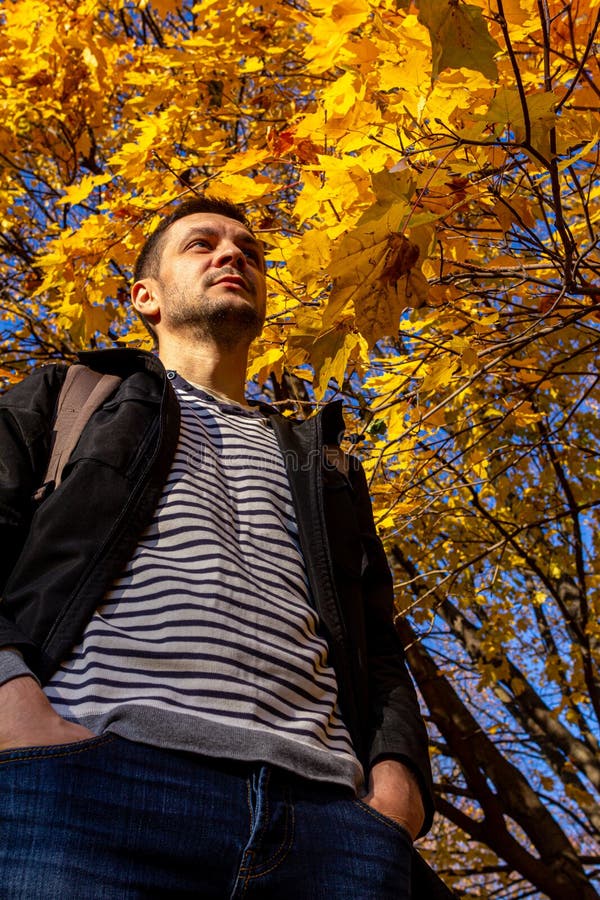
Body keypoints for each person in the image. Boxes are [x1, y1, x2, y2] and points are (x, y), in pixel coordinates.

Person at [0, 197, 435, 899]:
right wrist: (12, 708)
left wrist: (398, 786)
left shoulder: (321, 465)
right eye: (201, 245)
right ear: (147, 296)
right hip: (84, 790)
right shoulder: (71, 397)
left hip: (329, 829)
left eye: (249, 252)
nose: (232, 255)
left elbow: (377, 647)